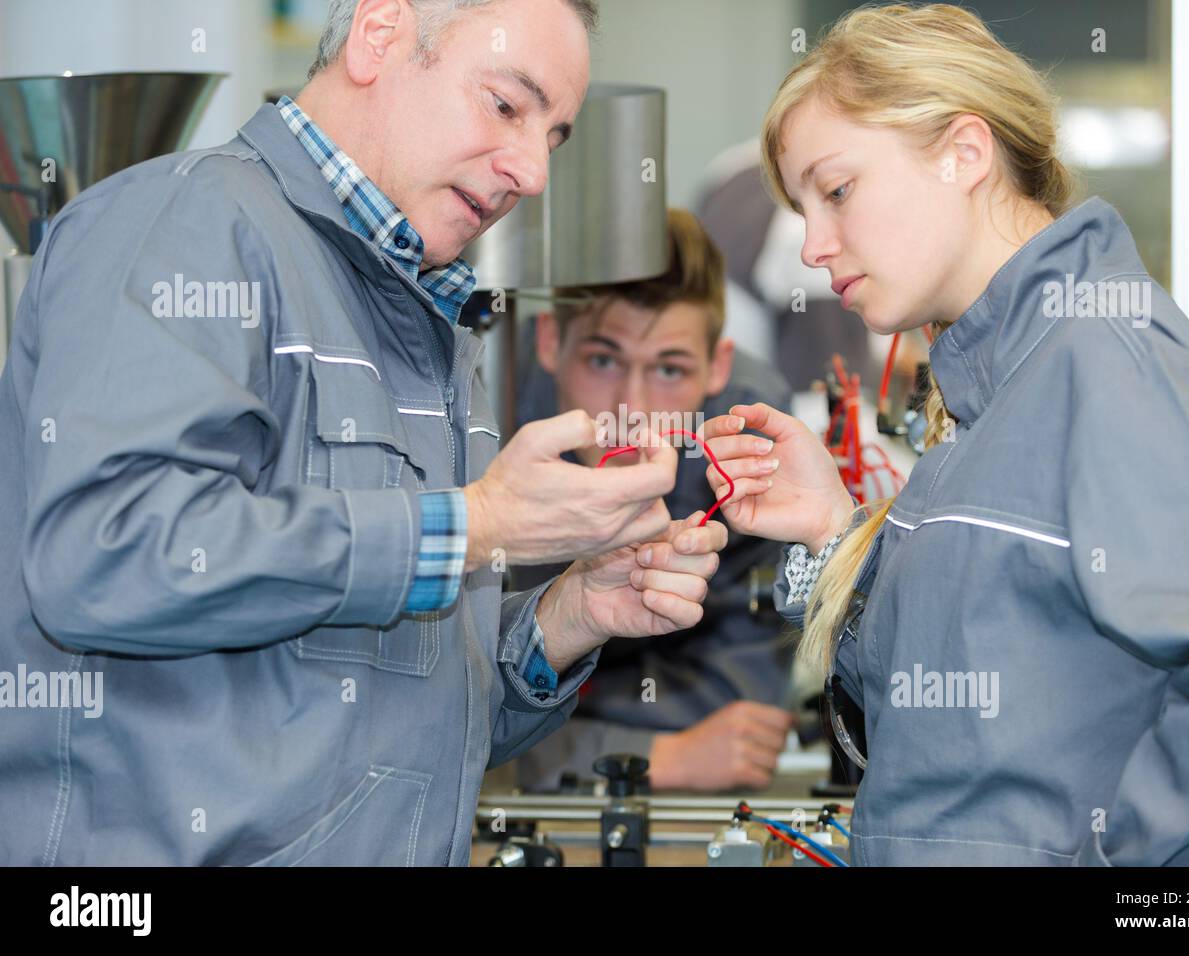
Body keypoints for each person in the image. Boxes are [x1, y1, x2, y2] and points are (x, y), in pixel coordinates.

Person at [0, 0, 729, 866]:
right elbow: (103, 557)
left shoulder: (425, 319)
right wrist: (478, 524)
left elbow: (400, 733)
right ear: (380, 35)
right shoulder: (182, 226)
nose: (533, 171)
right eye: (505, 106)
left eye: (555, 137)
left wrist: (567, 618)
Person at [700, 3, 1189, 865]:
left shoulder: (1100, 356)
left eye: (836, 192)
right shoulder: (989, 393)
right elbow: (953, 716)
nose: (813, 248)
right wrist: (834, 535)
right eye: (805, 209)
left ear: (964, 153)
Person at [508, 208, 796, 793]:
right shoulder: (481, 414)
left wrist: (535, 719)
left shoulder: (745, 434)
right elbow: (440, 714)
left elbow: (739, 722)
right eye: (603, 360)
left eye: (669, 369)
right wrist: (646, 755)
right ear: (549, 342)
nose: (632, 410)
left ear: (717, 367)